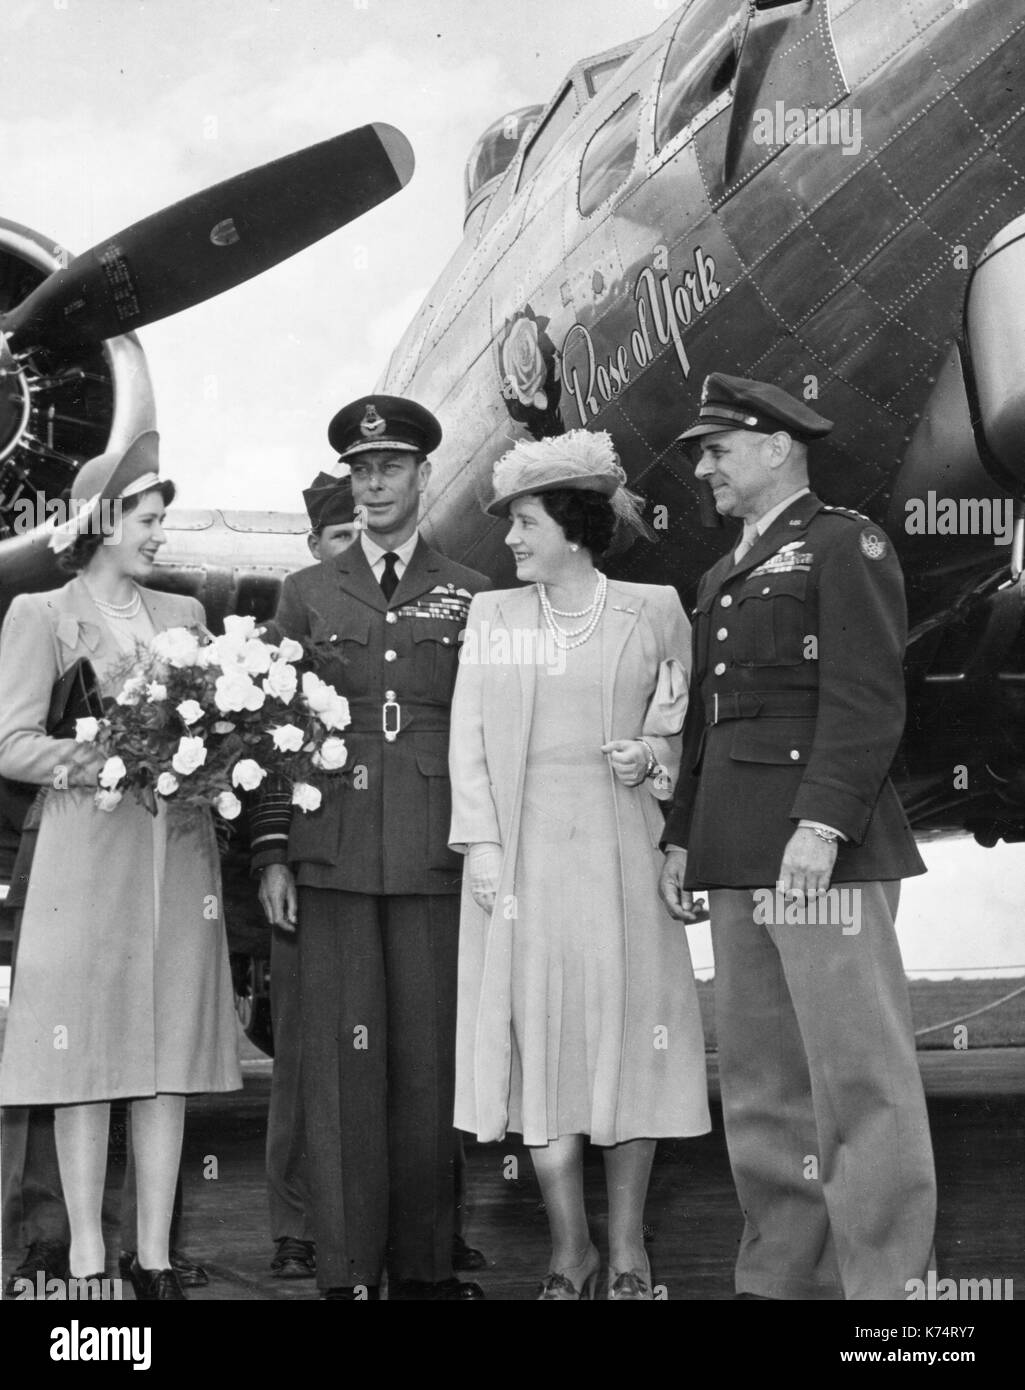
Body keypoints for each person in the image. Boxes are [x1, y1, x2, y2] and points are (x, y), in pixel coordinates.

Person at [658, 373, 936, 1301]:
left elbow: (864, 698)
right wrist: (678, 837)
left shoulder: (841, 544)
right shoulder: (720, 570)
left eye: (716, 450)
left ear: (776, 447)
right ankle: (781, 1280)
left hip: (821, 848)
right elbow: (709, 719)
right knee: (761, 1086)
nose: (702, 469)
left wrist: (820, 826)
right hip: (739, 850)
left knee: (860, 1080)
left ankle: (887, 1294)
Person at [450, 429, 710, 1300]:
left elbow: (679, 725)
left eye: (525, 523)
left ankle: (628, 1248)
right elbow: (470, 746)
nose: (512, 541)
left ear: (571, 526)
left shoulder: (654, 608)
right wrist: (482, 847)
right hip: (522, 864)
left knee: (628, 1040)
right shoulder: (497, 619)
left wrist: (649, 757)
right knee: (541, 1046)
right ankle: (570, 1250)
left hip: (621, 850)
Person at [253, 395, 492, 1301]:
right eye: (362, 469)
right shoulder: (308, 594)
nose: (376, 482)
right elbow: (272, 728)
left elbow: (490, 731)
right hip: (334, 849)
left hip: (437, 852)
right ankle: (349, 1273)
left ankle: (428, 1272)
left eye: (391, 466)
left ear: (423, 476)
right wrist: (271, 850)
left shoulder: (472, 592)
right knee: (343, 1073)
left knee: (430, 1071)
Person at [0, 432, 241, 1300]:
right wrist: (97, 754)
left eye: (162, 519)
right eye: (146, 519)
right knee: (84, 1058)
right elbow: (12, 742)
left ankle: (154, 1259)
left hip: (176, 856)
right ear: (104, 523)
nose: (158, 535)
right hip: (84, 855)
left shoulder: (185, 618)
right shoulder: (41, 617)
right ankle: (86, 1261)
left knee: (165, 1049)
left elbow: (216, 731)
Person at [261, 472, 364, 1282]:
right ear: (312, 550)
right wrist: (274, 855)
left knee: (416, 1049)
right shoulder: (292, 618)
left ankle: (423, 1216)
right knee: (303, 1052)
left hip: (405, 852)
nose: (357, 555)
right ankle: (296, 1220)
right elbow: (261, 748)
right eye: (341, 540)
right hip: (314, 852)